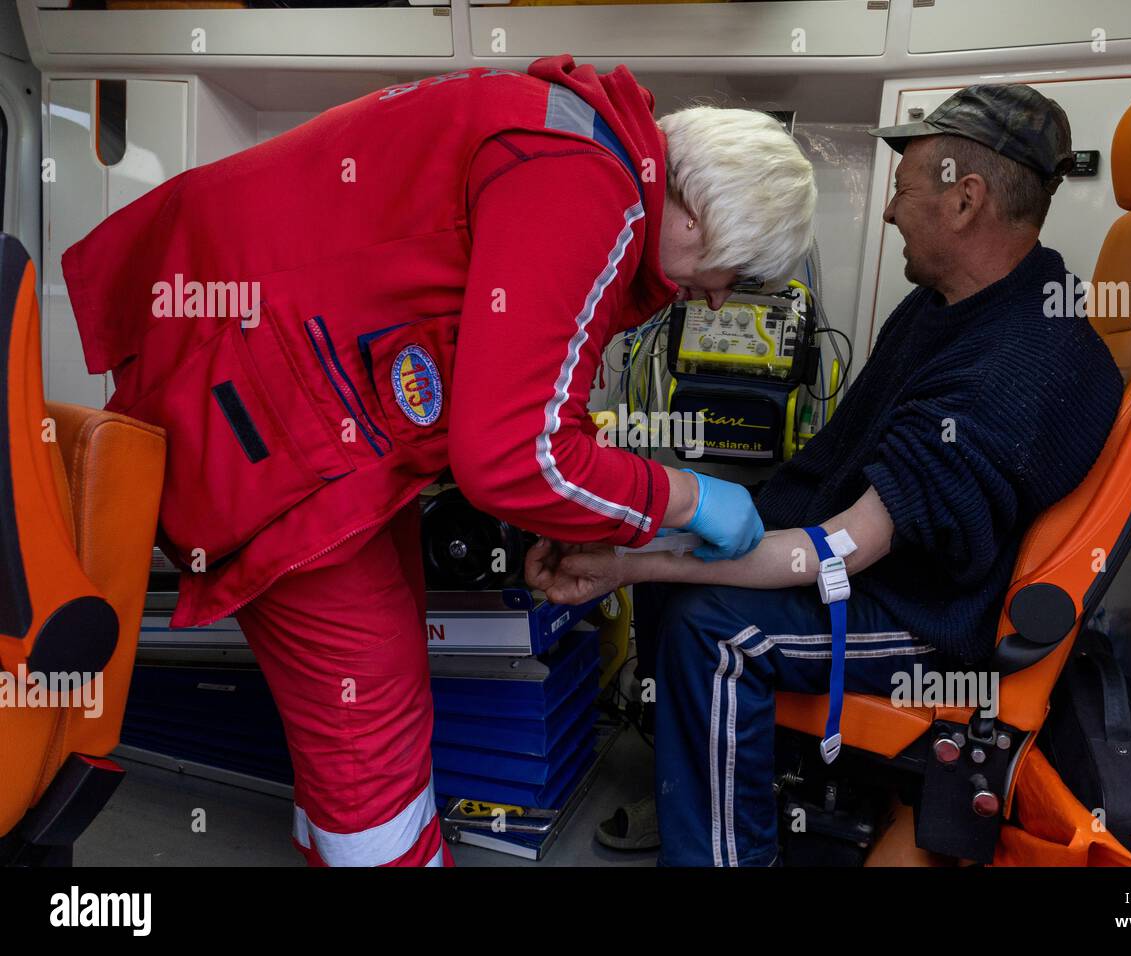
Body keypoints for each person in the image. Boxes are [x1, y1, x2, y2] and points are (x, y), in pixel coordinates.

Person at [63, 56, 817, 866]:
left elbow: (510, 393)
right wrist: (687, 497)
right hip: (273, 417)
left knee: (381, 687)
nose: (712, 298)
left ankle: (345, 847)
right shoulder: (588, 188)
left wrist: (586, 503)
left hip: (264, 374)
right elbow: (519, 456)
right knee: (367, 717)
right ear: (707, 220)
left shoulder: (568, 136)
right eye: (734, 275)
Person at [527, 84, 1125, 866]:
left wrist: (627, 562)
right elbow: (829, 479)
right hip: (882, 566)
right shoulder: (944, 308)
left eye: (904, 191)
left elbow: (839, 549)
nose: (887, 212)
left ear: (964, 200)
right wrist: (669, 524)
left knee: (720, 632)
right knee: (676, 584)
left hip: (931, 615)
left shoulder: (1017, 361)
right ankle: (705, 788)